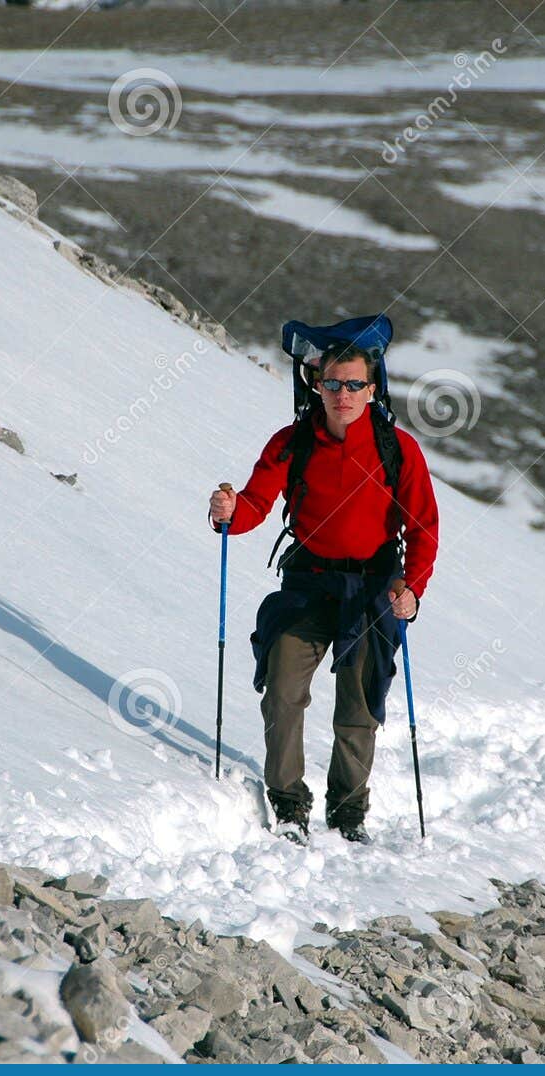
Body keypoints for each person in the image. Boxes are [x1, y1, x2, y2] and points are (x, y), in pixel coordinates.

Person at [207, 341, 439, 845]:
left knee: (359, 704)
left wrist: (412, 590)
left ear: (373, 390)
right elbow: (254, 504)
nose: (343, 394)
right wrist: (228, 512)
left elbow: (423, 528)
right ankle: (288, 800)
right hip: (308, 582)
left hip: (374, 586)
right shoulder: (291, 442)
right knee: (283, 685)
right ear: (317, 385)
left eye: (354, 384)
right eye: (333, 383)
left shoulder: (398, 450)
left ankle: (348, 810)